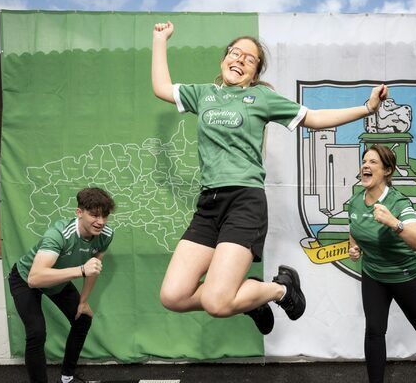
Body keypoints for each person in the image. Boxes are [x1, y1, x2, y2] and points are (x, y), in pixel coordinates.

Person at [152, 21, 388, 335]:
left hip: (244, 202)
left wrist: (367, 108)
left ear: (255, 72)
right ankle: (251, 299)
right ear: (224, 59)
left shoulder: (261, 99)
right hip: (208, 204)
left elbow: (315, 119)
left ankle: (281, 290)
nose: (239, 60)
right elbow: (161, 88)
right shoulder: (203, 94)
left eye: (249, 59)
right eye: (235, 54)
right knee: (173, 296)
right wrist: (160, 39)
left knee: (217, 302)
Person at [348, 145, 416, 383]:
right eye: (364, 161)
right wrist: (353, 248)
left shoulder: (398, 202)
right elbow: (354, 230)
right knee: (374, 332)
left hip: (405, 276)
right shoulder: (355, 201)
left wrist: (394, 222)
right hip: (374, 275)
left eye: (373, 162)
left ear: (387, 170)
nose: (365, 165)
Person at [8, 187, 116, 383]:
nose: (100, 222)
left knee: (82, 319)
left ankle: (67, 378)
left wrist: (83, 302)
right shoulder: (58, 234)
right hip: (25, 279)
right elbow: (35, 278)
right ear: (79, 212)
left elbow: (93, 269)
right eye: (94, 215)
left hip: (58, 279)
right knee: (36, 332)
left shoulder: (106, 234)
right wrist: (81, 269)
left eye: (105, 216)